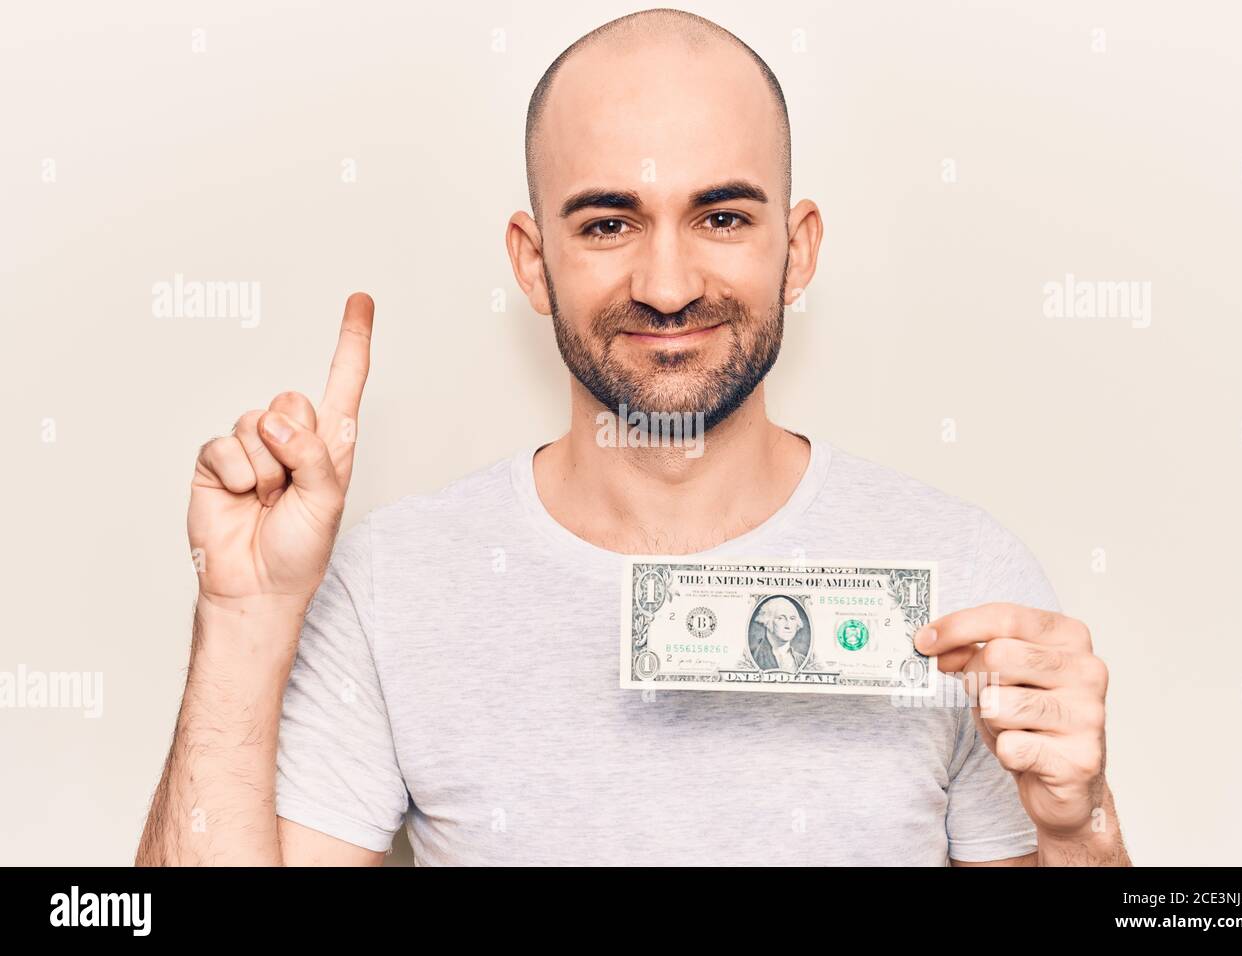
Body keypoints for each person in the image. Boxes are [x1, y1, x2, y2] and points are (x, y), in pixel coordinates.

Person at [137, 9, 1128, 866]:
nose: (666, 284)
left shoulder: (963, 582)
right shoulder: (392, 587)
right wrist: (244, 614)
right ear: (532, 263)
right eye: (609, 223)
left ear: (799, 248)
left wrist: (1079, 831)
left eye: (722, 215)